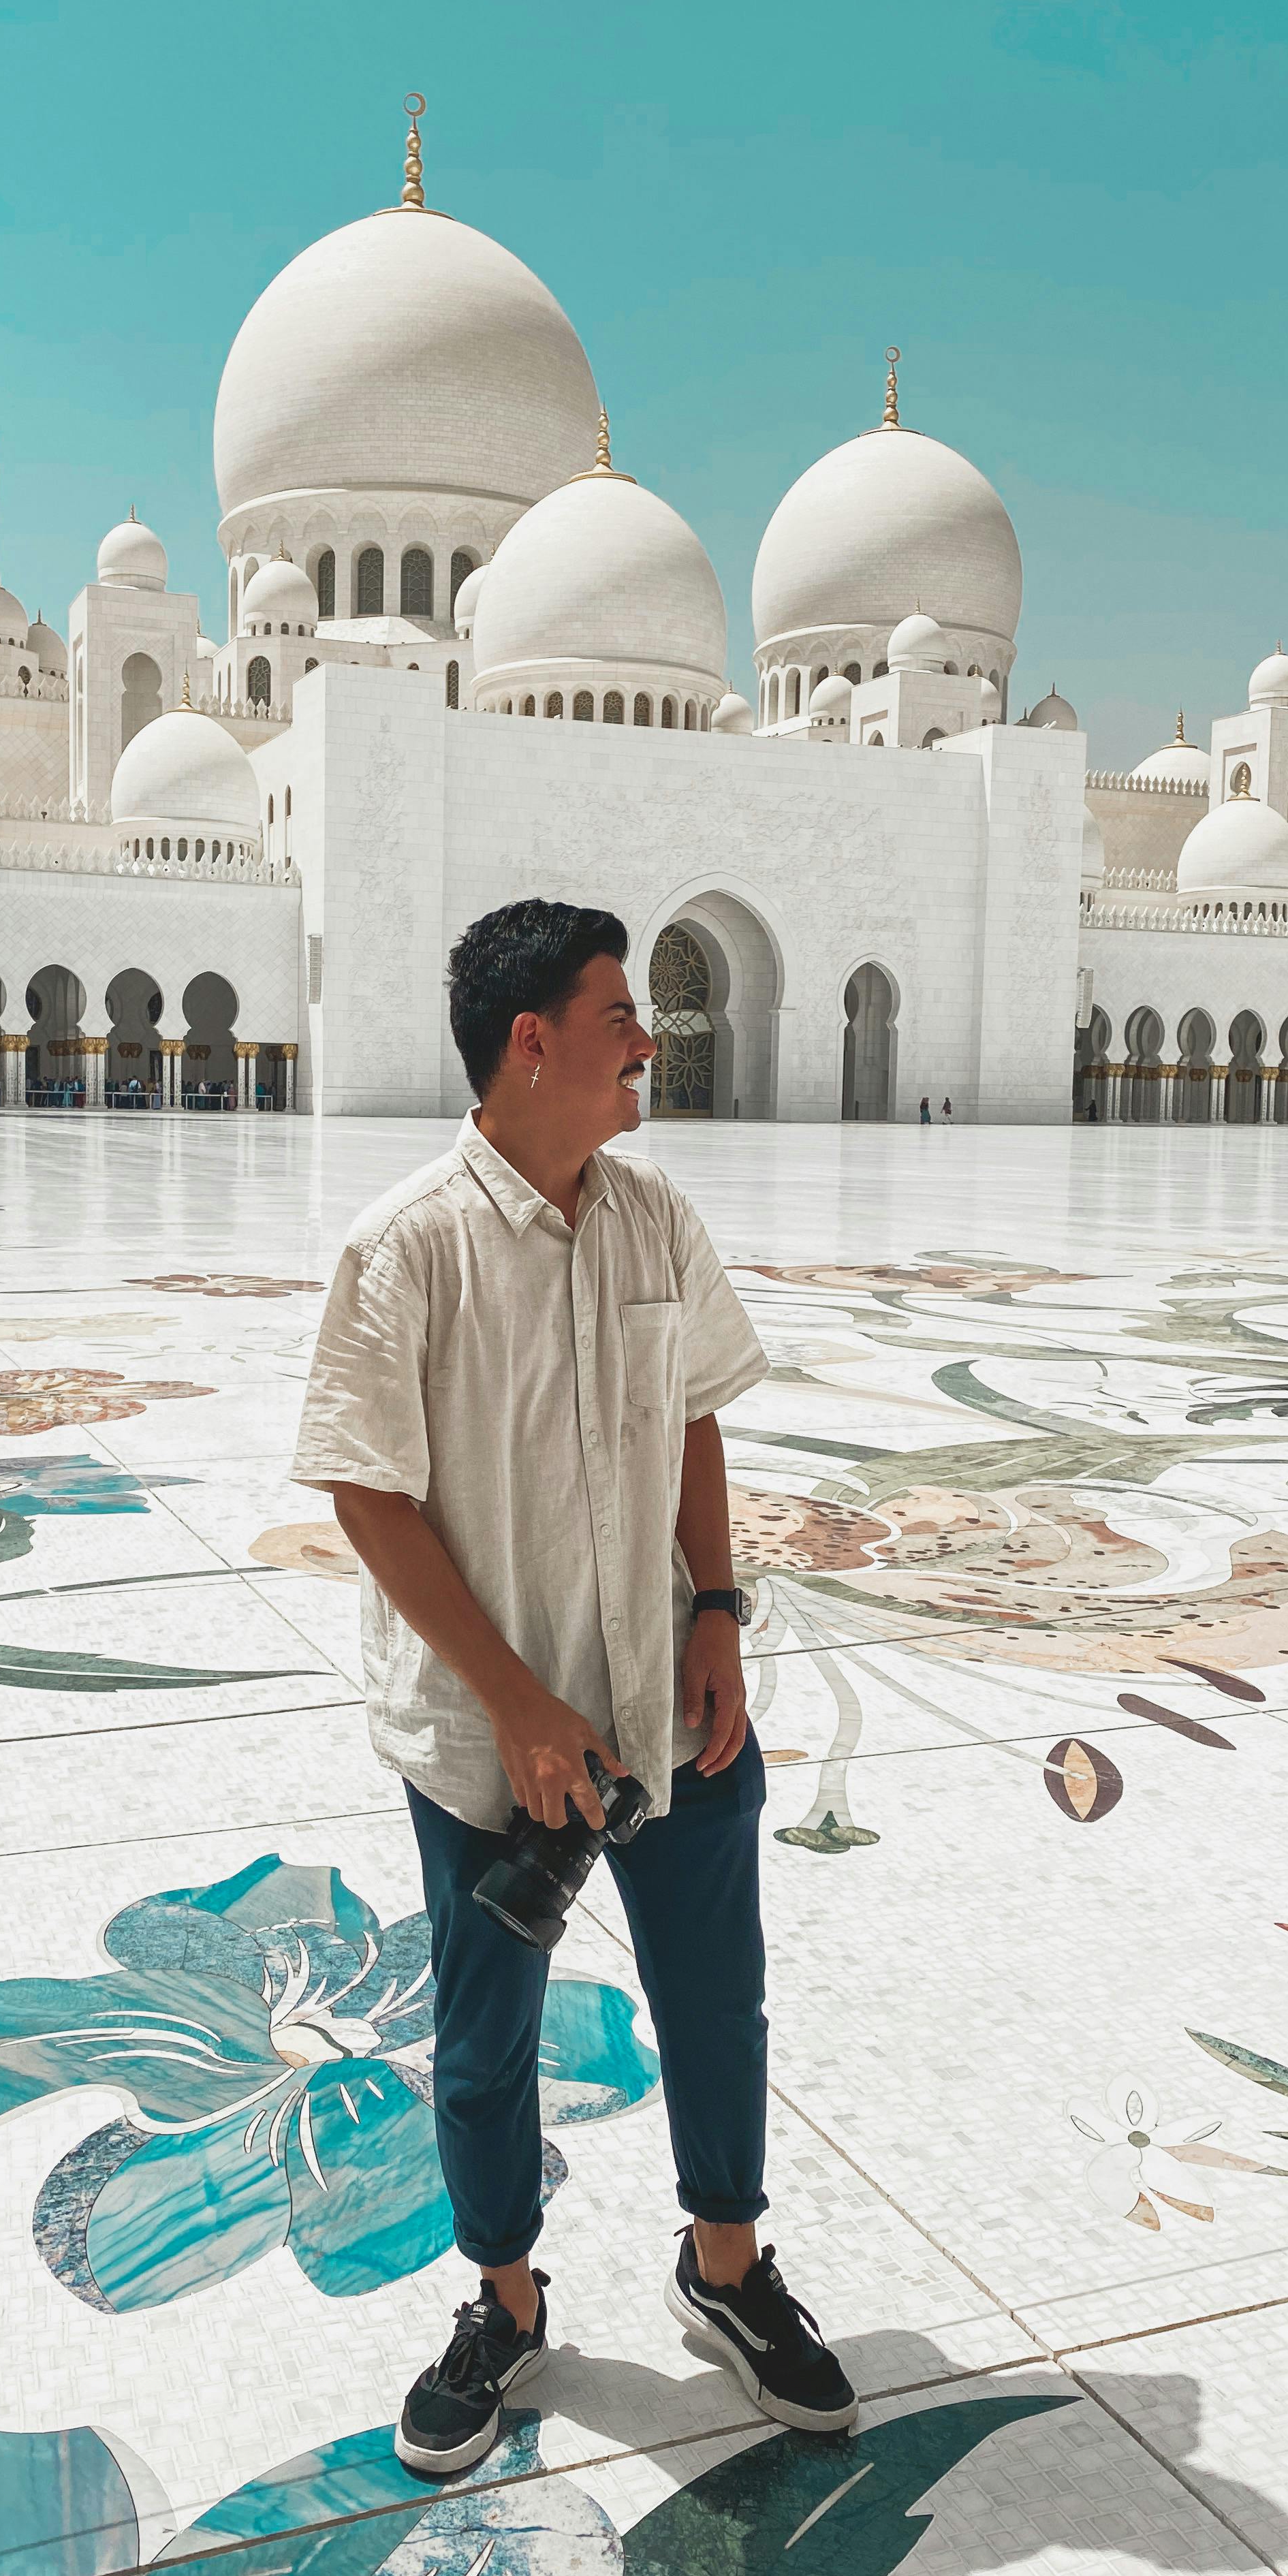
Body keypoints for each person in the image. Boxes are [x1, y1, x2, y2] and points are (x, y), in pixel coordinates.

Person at [294, 897, 858, 2479]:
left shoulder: (653, 1217)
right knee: (486, 2041)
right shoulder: (406, 1247)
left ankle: (727, 2272)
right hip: (495, 1733)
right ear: (531, 1043)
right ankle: (506, 2306)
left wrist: (722, 1612)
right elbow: (367, 1494)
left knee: (714, 1998)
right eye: (621, 1015)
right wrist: (521, 1706)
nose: (647, 1042)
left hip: (669, 1693)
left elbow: (693, 1418)